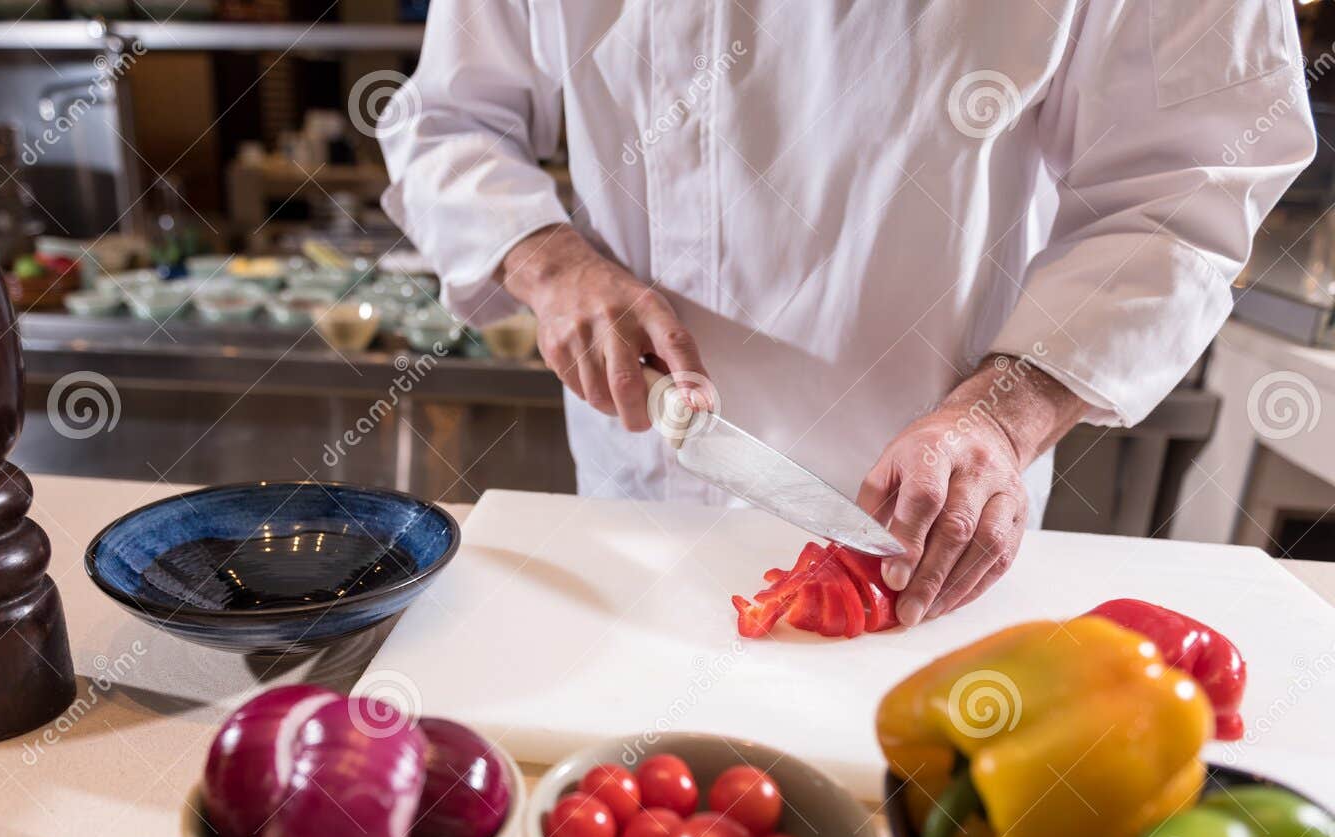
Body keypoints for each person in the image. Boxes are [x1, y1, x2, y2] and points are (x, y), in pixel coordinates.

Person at [379, 1, 1314, 625]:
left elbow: (1194, 175)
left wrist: (1004, 411)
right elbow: (448, 121)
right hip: (636, 514)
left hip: (928, 543)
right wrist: (551, 264)